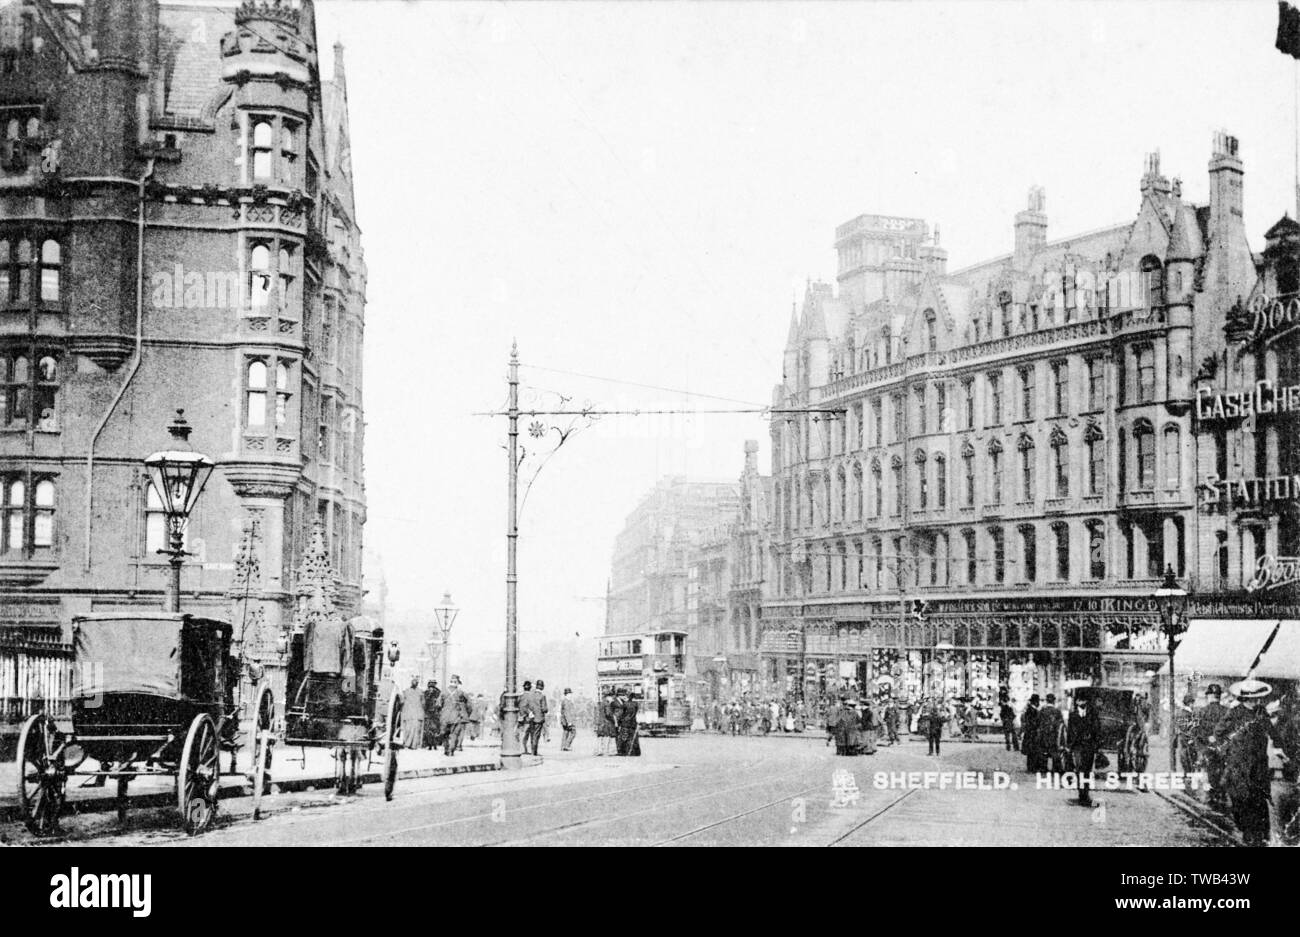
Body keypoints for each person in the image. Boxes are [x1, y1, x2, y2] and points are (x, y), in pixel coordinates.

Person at [1220, 679, 1274, 847]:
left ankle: (1259, 836)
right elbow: (1220, 732)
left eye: (1256, 698)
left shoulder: (1261, 713)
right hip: (1239, 763)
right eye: (1252, 698)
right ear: (1245, 698)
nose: (1255, 701)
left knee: (1258, 799)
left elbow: (1273, 732)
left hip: (1258, 764)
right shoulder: (1234, 712)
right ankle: (1247, 831)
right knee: (1241, 798)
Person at [1194, 684, 1229, 810]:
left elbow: (1198, 733)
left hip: (1208, 748)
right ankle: (1221, 795)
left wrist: (1201, 750)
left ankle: (1212, 797)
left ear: (1209, 696)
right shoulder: (1227, 711)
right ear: (1219, 696)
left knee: (1210, 773)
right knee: (1223, 771)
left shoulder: (1202, 712)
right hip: (1223, 748)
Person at [1067, 694, 1102, 806]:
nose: (1081, 702)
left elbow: (1097, 730)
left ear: (1086, 701)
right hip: (1077, 746)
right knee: (1079, 770)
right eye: (1079, 700)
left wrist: (1096, 745)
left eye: (1083, 700)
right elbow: (1070, 732)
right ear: (1076, 702)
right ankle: (1081, 794)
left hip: (1089, 747)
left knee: (1087, 770)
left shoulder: (1093, 714)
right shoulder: (1072, 715)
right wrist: (1069, 746)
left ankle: (1085, 794)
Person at [439, 675, 471, 756]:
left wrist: (442, 712)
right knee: (455, 734)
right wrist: (466, 713)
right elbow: (469, 705)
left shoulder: (443, 692)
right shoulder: (461, 693)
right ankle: (451, 750)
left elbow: (438, 704)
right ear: (457, 683)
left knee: (445, 734)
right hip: (456, 716)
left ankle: (446, 749)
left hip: (444, 716)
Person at [1036, 694, 1065, 774]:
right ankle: (1056, 769)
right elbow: (1061, 724)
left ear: (1046, 700)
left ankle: (1043, 768)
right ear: (1054, 701)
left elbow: (1037, 723)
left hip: (1043, 735)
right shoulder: (1057, 711)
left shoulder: (1042, 711)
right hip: (1054, 735)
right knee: (1055, 753)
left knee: (1043, 752)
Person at [400, 675, 425, 749]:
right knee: (407, 729)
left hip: (417, 714)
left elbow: (423, 703)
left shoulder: (420, 692)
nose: (415, 683)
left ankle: (414, 745)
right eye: (413, 681)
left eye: (416, 681)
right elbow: (402, 701)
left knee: (416, 730)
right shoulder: (406, 691)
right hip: (408, 713)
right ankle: (407, 743)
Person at [519, 680, 544, 755]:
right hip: (528, 718)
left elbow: (521, 706)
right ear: (530, 688)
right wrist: (529, 713)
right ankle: (525, 750)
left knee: (525, 734)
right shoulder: (531, 695)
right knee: (527, 734)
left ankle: (525, 749)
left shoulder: (521, 696)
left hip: (524, 717)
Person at [616, 688, 641, 756]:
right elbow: (635, 712)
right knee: (633, 737)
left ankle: (625, 752)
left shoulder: (625, 704)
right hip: (633, 722)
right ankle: (635, 752)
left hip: (625, 723)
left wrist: (619, 721)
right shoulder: (635, 704)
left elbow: (622, 714)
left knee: (625, 737)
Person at [1022, 694, 1042, 772]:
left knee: (1031, 752)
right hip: (1032, 734)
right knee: (1033, 751)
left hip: (1030, 734)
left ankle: (1031, 767)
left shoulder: (1030, 710)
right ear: (1036, 702)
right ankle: (1032, 767)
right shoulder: (1032, 711)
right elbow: (1033, 722)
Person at [422, 679, 442, 750]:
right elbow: (424, 702)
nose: (432, 686)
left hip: (435, 712)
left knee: (435, 729)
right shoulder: (425, 692)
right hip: (428, 712)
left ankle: (435, 744)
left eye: (433, 684)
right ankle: (429, 743)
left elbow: (440, 703)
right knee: (428, 729)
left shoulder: (439, 692)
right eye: (430, 684)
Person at [596, 688, 616, 755]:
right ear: (608, 697)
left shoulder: (602, 703)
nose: (612, 699)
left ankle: (599, 751)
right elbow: (608, 713)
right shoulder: (607, 704)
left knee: (600, 737)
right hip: (605, 722)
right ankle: (605, 751)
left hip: (600, 722)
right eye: (612, 697)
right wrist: (614, 719)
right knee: (606, 737)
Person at [560, 687, 577, 752]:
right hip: (567, 720)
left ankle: (563, 746)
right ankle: (567, 746)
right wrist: (569, 722)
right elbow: (567, 712)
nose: (571, 695)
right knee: (573, 732)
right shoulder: (566, 702)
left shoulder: (565, 701)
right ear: (567, 694)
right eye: (570, 694)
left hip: (564, 720)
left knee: (566, 732)